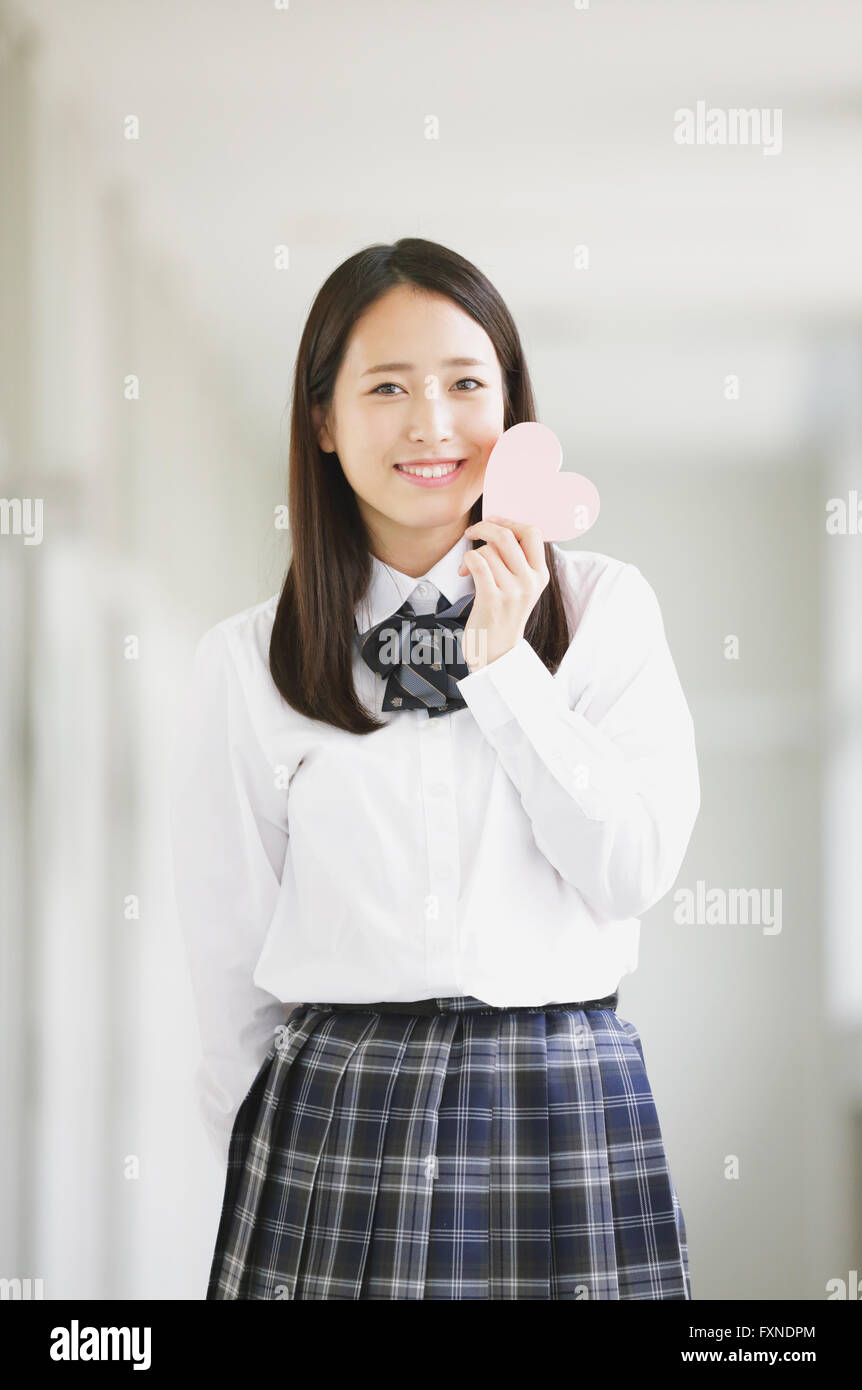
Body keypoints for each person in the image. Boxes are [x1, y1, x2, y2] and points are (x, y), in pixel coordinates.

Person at [168, 237, 700, 1300]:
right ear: (321, 420)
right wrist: (257, 1172)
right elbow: (228, 967)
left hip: (561, 1099)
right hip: (336, 1110)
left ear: (512, 412)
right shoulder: (244, 660)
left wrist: (505, 671)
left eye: (466, 384)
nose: (431, 424)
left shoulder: (602, 612)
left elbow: (630, 869)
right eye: (386, 387)